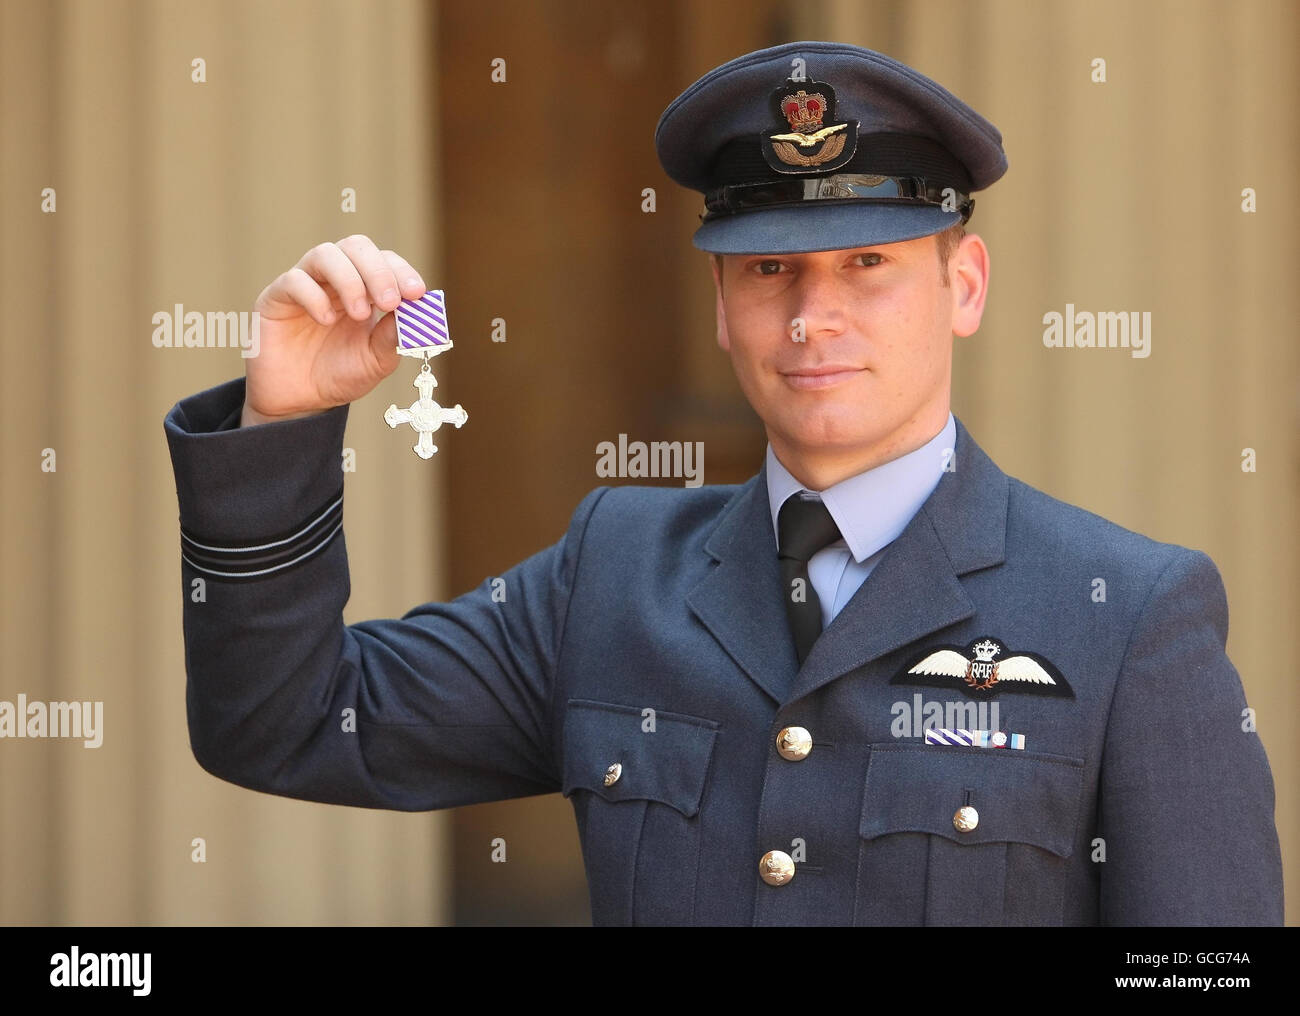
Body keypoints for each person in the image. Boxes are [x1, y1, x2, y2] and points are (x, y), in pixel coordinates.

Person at [163, 40, 1283, 925]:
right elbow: (289, 721)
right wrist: (286, 422)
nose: (810, 315)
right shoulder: (611, 573)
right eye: (767, 268)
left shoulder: (1126, 613)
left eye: (868, 263)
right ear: (719, 304)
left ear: (965, 282)